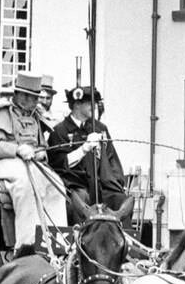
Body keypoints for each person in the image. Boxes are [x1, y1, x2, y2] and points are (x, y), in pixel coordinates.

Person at [0, 71, 68, 256]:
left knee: (56, 185)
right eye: (33, 98)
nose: (36, 102)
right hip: (0, 164)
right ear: (21, 96)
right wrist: (16, 149)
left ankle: (56, 245)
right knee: (26, 184)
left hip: (30, 163)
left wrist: (40, 154)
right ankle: (26, 246)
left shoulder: (34, 116)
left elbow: (41, 146)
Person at [46, 85, 128, 217]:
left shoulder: (100, 128)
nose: (95, 105)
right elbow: (60, 164)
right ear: (77, 104)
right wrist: (84, 148)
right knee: (80, 200)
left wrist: (118, 183)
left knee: (119, 199)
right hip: (76, 186)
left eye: (96, 102)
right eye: (90, 102)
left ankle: (119, 237)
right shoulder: (59, 131)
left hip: (101, 185)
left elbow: (112, 159)